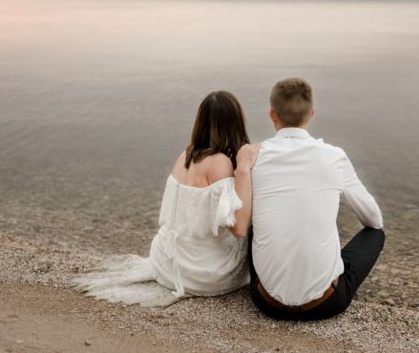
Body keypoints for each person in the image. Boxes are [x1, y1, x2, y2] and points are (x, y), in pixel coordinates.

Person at [72, 91, 259, 307]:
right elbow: (239, 229)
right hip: (204, 274)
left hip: (165, 263)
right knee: (254, 222)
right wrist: (244, 170)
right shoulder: (220, 162)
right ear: (235, 123)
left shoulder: (186, 156)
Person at [248, 78, 385, 320]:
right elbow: (373, 219)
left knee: (253, 225)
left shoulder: (254, 156)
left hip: (265, 302)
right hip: (325, 304)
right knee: (376, 233)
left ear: (272, 114)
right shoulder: (334, 157)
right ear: (312, 114)